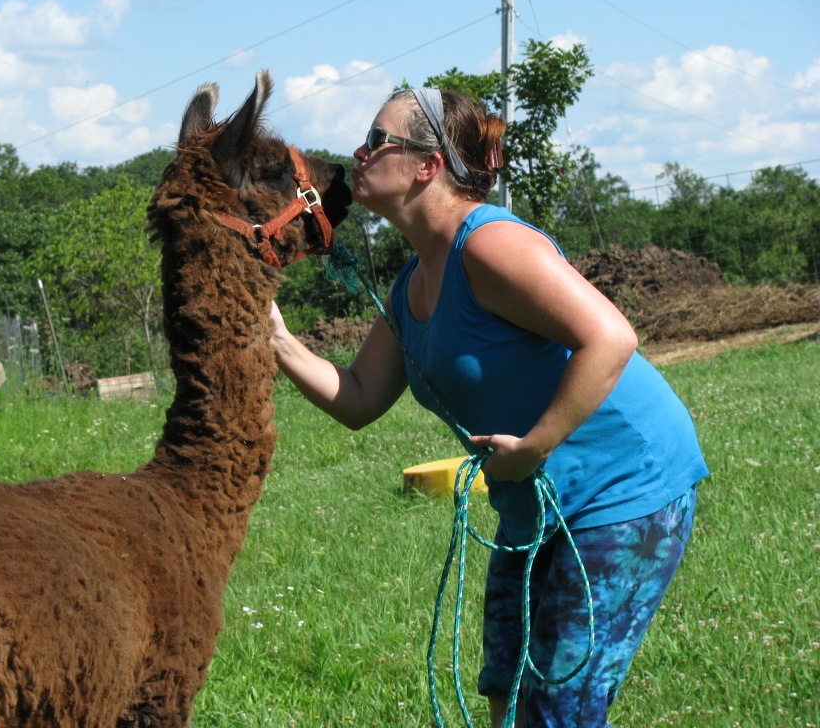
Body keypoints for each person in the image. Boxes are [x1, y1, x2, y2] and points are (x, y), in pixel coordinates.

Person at [268, 86, 708, 727]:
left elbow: (611, 338)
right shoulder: (412, 283)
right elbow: (359, 397)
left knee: (558, 709)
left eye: (376, 140)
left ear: (428, 165)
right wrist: (277, 337)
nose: (358, 154)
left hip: (625, 486)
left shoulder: (489, 244)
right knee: (506, 689)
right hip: (535, 504)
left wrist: (533, 446)